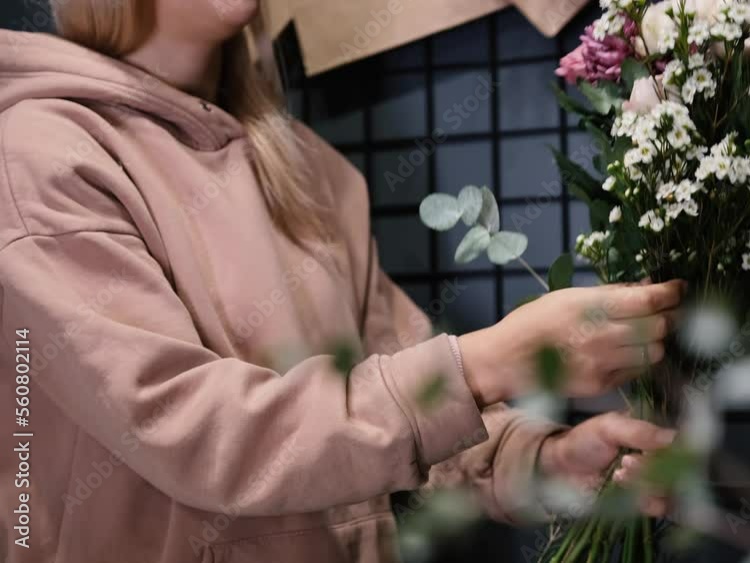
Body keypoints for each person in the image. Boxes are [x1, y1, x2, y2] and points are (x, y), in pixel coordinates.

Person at [0, 1, 683, 561]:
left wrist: (541, 461)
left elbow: (403, 411)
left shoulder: (308, 173)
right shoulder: (40, 160)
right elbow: (195, 431)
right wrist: (488, 361)